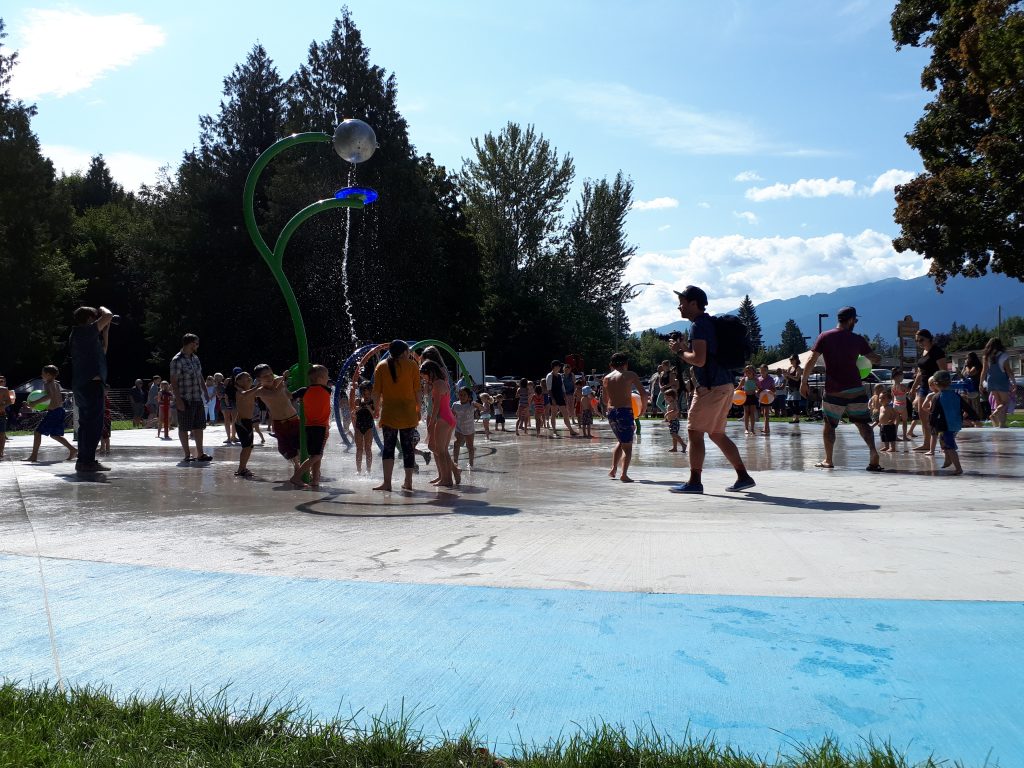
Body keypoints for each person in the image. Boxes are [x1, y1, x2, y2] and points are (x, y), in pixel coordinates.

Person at [669, 286, 755, 494]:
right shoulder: (708, 323)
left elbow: (699, 360)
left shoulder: (698, 325)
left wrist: (680, 352)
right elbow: (704, 356)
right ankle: (743, 476)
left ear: (693, 303)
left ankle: (694, 482)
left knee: (694, 432)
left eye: (682, 302)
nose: (679, 307)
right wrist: (684, 349)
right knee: (717, 434)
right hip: (725, 384)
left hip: (711, 387)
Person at [800, 306, 882, 471]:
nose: (856, 323)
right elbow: (875, 359)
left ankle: (828, 460)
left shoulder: (825, 336)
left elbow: (811, 359)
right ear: (851, 320)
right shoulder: (857, 339)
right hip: (856, 389)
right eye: (856, 320)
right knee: (862, 423)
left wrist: (804, 381)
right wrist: (876, 357)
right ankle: (873, 453)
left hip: (834, 389)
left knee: (829, 425)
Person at [372, 340, 423, 492]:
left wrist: (376, 409)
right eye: (408, 351)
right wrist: (418, 408)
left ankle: (387, 483)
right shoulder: (412, 365)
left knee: (388, 448)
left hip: (389, 413)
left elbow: (376, 392)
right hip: (408, 413)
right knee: (408, 448)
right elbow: (417, 391)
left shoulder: (381, 366)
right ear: (404, 352)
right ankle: (408, 482)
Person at [69, 305, 113, 472]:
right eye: (95, 317)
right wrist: (102, 309)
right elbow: (108, 315)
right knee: (92, 424)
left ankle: (86, 460)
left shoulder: (83, 336)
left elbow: (103, 351)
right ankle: (85, 461)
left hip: (86, 384)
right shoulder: (84, 332)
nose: (97, 319)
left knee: (89, 424)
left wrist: (106, 333)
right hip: (89, 385)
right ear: (88, 319)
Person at [603, 352, 647, 482]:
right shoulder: (630, 375)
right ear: (626, 364)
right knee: (627, 446)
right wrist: (643, 408)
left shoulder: (606, 378)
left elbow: (605, 400)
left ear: (611, 364)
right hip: (624, 412)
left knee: (621, 441)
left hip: (611, 412)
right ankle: (624, 474)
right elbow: (643, 394)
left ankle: (613, 469)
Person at [170, 333, 211, 463]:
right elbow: (174, 382)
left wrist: (205, 391)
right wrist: (178, 400)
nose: (198, 346)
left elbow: (200, 376)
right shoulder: (177, 360)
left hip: (197, 397)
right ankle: (187, 455)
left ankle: (200, 454)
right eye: (196, 343)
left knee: (199, 426)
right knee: (184, 427)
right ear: (191, 343)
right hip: (185, 398)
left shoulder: (195, 358)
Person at [419, 357, 459, 488]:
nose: (424, 379)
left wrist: (431, 424)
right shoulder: (444, 382)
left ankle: (446, 479)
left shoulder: (436, 384)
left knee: (440, 451)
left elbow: (436, 407)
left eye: (424, 376)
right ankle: (448, 476)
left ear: (430, 372)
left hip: (442, 419)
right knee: (443, 450)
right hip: (450, 418)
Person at [291, 364, 331, 489]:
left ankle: (315, 479)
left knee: (314, 454)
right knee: (317, 455)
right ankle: (296, 476)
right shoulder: (327, 390)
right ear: (320, 379)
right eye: (326, 377)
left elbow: (290, 396)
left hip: (309, 426)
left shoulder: (304, 391)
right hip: (321, 427)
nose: (328, 379)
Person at [26, 365, 77, 463]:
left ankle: (34, 456)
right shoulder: (56, 384)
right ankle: (73, 449)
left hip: (54, 412)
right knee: (55, 435)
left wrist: (35, 403)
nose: (41, 375)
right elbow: (56, 399)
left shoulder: (47, 384)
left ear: (48, 374)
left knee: (37, 432)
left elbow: (49, 396)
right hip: (59, 411)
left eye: (43, 373)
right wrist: (45, 406)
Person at [930, 370, 976, 474]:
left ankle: (958, 468)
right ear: (950, 383)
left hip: (945, 425)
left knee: (949, 446)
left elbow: (932, 413)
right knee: (942, 441)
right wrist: (974, 417)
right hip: (956, 424)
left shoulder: (936, 397)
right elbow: (967, 407)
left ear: (936, 384)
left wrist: (931, 424)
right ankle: (947, 460)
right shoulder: (956, 395)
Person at [910, 329, 947, 452]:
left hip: (935, 387)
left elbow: (943, 371)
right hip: (924, 386)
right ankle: (926, 443)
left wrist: (941, 388)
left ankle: (943, 443)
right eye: (917, 340)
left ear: (929, 338)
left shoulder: (937, 351)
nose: (919, 342)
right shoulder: (924, 352)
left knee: (935, 417)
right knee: (922, 414)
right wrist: (914, 387)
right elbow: (920, 372)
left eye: (921, 340)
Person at [980, 337, 1016, 428]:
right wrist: (1014, 381)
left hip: (991, 381)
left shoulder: (986, 356)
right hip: (1001, 380)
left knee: (998, 402)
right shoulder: (1004, 355)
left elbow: (984, 371)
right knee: (1005, 402)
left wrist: (980, 383)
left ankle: (1001, 424)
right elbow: (1008, 370)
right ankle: (995, 415)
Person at [233, 371, 258, 478]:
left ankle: (243, 467)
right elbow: (245, 394)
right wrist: (257, 387)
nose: (249, 378)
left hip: (248, 422)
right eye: (245, 377)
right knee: (246, 446)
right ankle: (241, 469)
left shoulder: (251, 390)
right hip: (241, 422)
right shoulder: (240, 392)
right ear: (238, 382)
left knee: (249, 446)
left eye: (249, 376)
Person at [545, 360, 579, 437]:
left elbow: (562, 387)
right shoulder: (549, 376)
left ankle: (571, 430)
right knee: (553, 414)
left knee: (565, 414)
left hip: (560, 396)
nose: (560, 367)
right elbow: (549, 389)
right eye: (559, 366)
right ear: (555, 367)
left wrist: (564, 396)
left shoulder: (560, 375)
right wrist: (553, 399)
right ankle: (554, 431)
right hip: (553, 397)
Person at [452, 386, 482, 468]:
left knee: (470, 446)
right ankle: (455, 462)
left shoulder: (471, 404)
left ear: (469, 396)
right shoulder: (455, 404)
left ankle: (471, 463)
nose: (462, 397)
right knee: (456, 444)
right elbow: (451, 415)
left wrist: (477, 405)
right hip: (459, 428)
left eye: (464, 395)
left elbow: (482, 408)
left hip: (469, 429)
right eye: (460, 395)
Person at [352, 381, 376, 474]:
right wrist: (358, 408)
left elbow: (375, 416)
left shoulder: (373, 401)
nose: (366, 395)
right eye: (364, 393)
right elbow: (353, 414)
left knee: (368, 448)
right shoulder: (358, 401)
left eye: (368, 393)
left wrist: (369, 408)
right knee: (359, 448)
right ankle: (358, 470)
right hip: (358, 426)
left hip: (369, 427)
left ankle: (368, 470)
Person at [961, 352, 984, 424]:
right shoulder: (967, 366)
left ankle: (977, 419)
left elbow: (970, 373)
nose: (966, 359)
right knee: (967, 405)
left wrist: (967, 365)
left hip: (974, 387)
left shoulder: (976, 365)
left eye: (967, 358)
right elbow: (963, 374)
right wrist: (964, 366)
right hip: (967, 388)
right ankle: (967, 420)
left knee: (975, 405)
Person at [662, 387, 687, 453]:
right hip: (672, 421)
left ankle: (683, 444)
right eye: (665, 397)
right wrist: (667, 419)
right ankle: (675, 448)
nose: (665, 399)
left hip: (674, 421)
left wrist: (667, 413)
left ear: (672, 397)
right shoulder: (671, 403)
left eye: (667, 397)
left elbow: (676, 411)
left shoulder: (673, 403)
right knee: (674, 436)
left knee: (673, 434)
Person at [783, 355, 804, 423]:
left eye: (792, 359)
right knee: (789, 403)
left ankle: (796, 418)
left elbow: (797, 378)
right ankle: (795, 416)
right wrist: (785, 375)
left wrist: (788, 375)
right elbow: (787, 378)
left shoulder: (798, 368)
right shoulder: (790, 368)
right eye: (790, 359)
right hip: (790, 388)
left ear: (796, 360)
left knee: (795, 403)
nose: (791, 361)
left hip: (796, 388)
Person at [757, 364, 776, 436]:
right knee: (763, 413)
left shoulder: (770, 379)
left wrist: (770, 391)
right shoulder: (758, 379)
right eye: (761, 370)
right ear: (759, 371)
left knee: (766, 413)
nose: (763, 372)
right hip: (762, 398)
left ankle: (766, 428)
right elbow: (758, 389)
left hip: (768, 397)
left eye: (764, 370)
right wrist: (758, 391)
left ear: (767, 371)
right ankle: (766, 427)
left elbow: (774, 389)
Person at [739, 365, 758, 436]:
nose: (748, 371)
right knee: (746, 413)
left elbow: (759, 388)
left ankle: (752, 429)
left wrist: (757, 391)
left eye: (749, 370)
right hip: (746, 397)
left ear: (753, 371)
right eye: (746, 370)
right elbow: (739, 388)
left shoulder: (755, 379)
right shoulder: (744, 379)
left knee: (752, 413)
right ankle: (746, 429)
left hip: (753, 397)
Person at [891, 368, 910, 440]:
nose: (903, 378)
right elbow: (908, 391)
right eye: (902, 376)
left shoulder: (892, 386)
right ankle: (904, 436)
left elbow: (892, 396)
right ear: (897, 377)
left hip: (895, 405)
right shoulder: (902, 386)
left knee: (897, 422)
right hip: (902, 405)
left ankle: (895, 436)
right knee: (904, 421)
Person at [0, 374, 9, 460]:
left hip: (1, 414)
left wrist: (3, 406)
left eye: (2, 381)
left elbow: (9, 401)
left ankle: (1, 451)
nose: (1, 382)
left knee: (2, 434)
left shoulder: (4, 390)